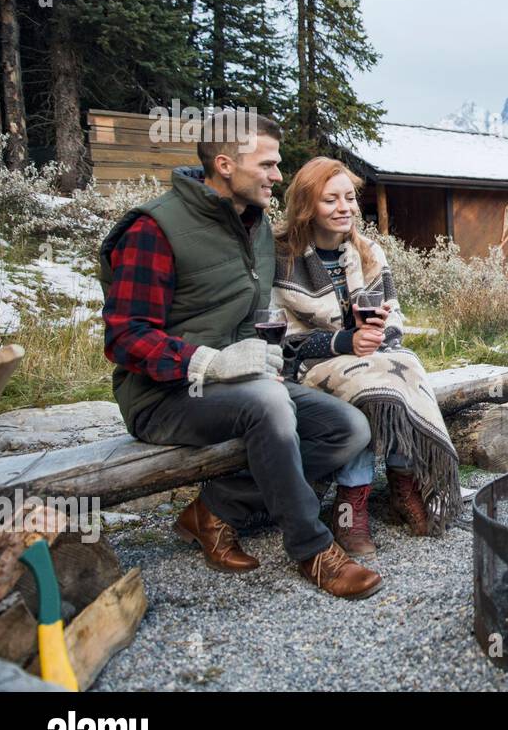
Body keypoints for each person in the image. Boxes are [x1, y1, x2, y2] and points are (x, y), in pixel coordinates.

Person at [99, 111, 382, 599]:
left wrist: (273, 358)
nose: (278, 175)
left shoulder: (255, 228)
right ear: (226, 164)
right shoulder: (154, 229)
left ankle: (215, 508)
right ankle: (312, 549)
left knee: (348, 429)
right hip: (161, 396)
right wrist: (209, 363)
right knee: (269, 407)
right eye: (269, 165)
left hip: (240, 385)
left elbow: (260, 319)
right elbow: (125, 337)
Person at [271, 157, 461, 553]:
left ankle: (403, 482)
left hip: (370, 358)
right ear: (307, 205)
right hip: (308, 367)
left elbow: (394, 313)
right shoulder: (282, 257)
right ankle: (351, 503)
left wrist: (379, 335)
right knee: (369, 391)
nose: (345, 208)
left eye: (350, 198)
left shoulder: (368, 252)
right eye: (330, 200)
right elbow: (278, 338)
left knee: (404, 368)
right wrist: (344, 343)